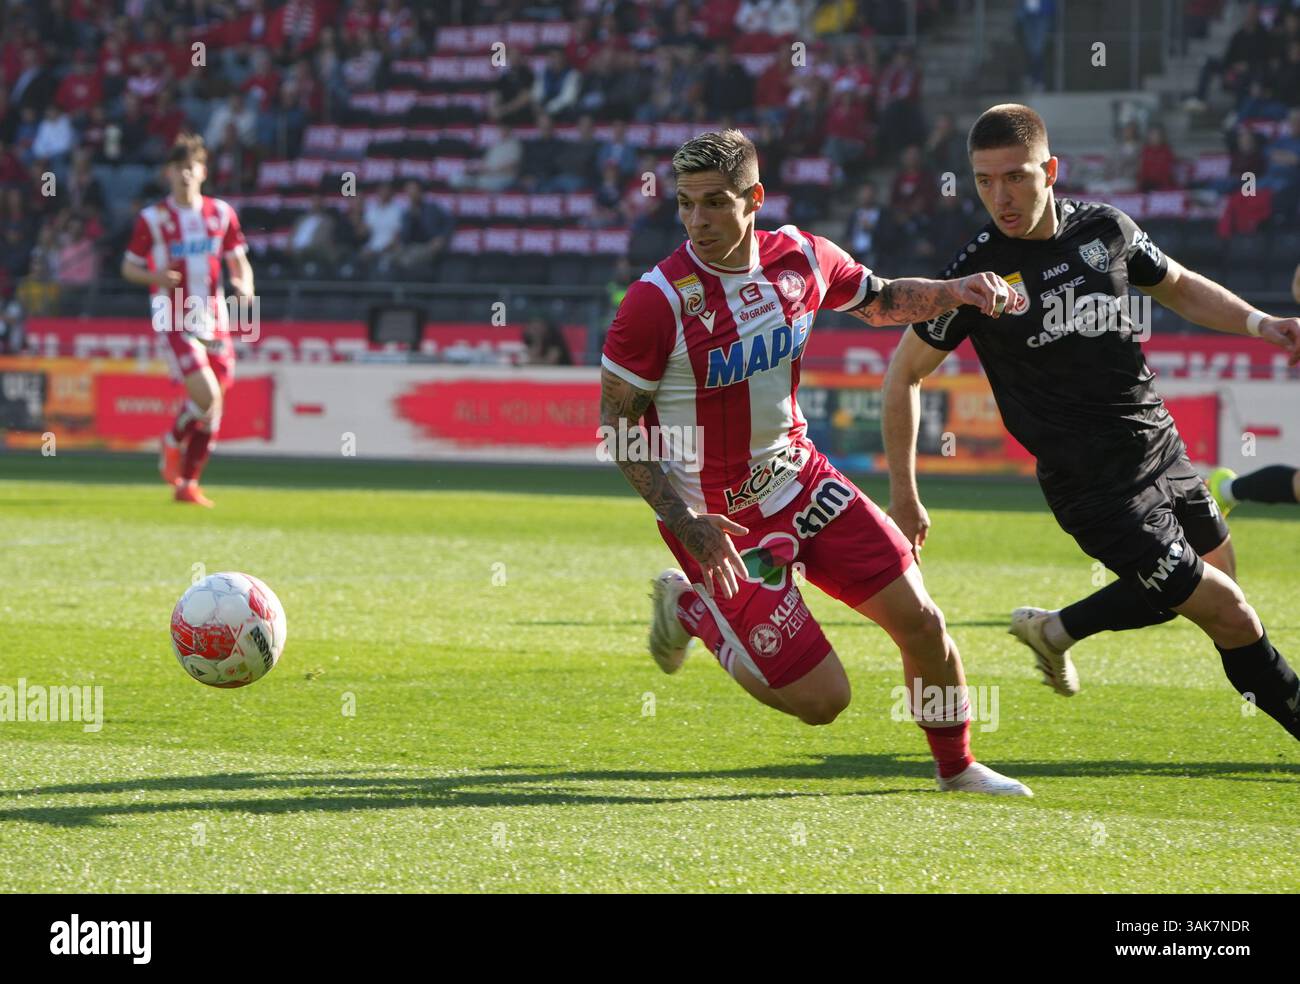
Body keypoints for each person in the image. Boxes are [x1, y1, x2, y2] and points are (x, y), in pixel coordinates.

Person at [600, 129, 1030, 796]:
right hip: (721, 522)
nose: (697, 220)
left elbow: (883, 300)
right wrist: (683, 522)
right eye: (685, 203)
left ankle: (956, 768)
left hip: (804, 482)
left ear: (755, 199)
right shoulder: (656, 301)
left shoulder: (802, 257)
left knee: (922, 622)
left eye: (714, 203)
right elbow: (618, 426)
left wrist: (959, 290)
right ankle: (691, 608)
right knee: (823, 702)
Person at [882, 104, 1300, 743]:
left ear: (1050, 170)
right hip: (1095, 488)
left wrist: (1260, 323)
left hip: (1161, 447)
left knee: (1217, 587)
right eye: (985, 181)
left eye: (1016, 176)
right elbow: (903, 375)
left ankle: (1054, 631)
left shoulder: (1105, 229)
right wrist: (905, 495)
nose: (1001, 197)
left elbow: (1178, 286)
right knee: (1232, 614)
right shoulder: (977, 276)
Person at [121, 133, 253, 508]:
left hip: (213, 317)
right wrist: (155, 277)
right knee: (206, 395)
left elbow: (239, 262)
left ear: (203, 172)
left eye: (191, 167)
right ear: (168, 173)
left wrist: (245, 287)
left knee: (213, 409)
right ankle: (172, 440)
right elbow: (128, 267)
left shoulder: (221, 214)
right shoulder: (153, 219)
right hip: (173, 317)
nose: (185, 174)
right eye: (178, 168)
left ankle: (188, 484)